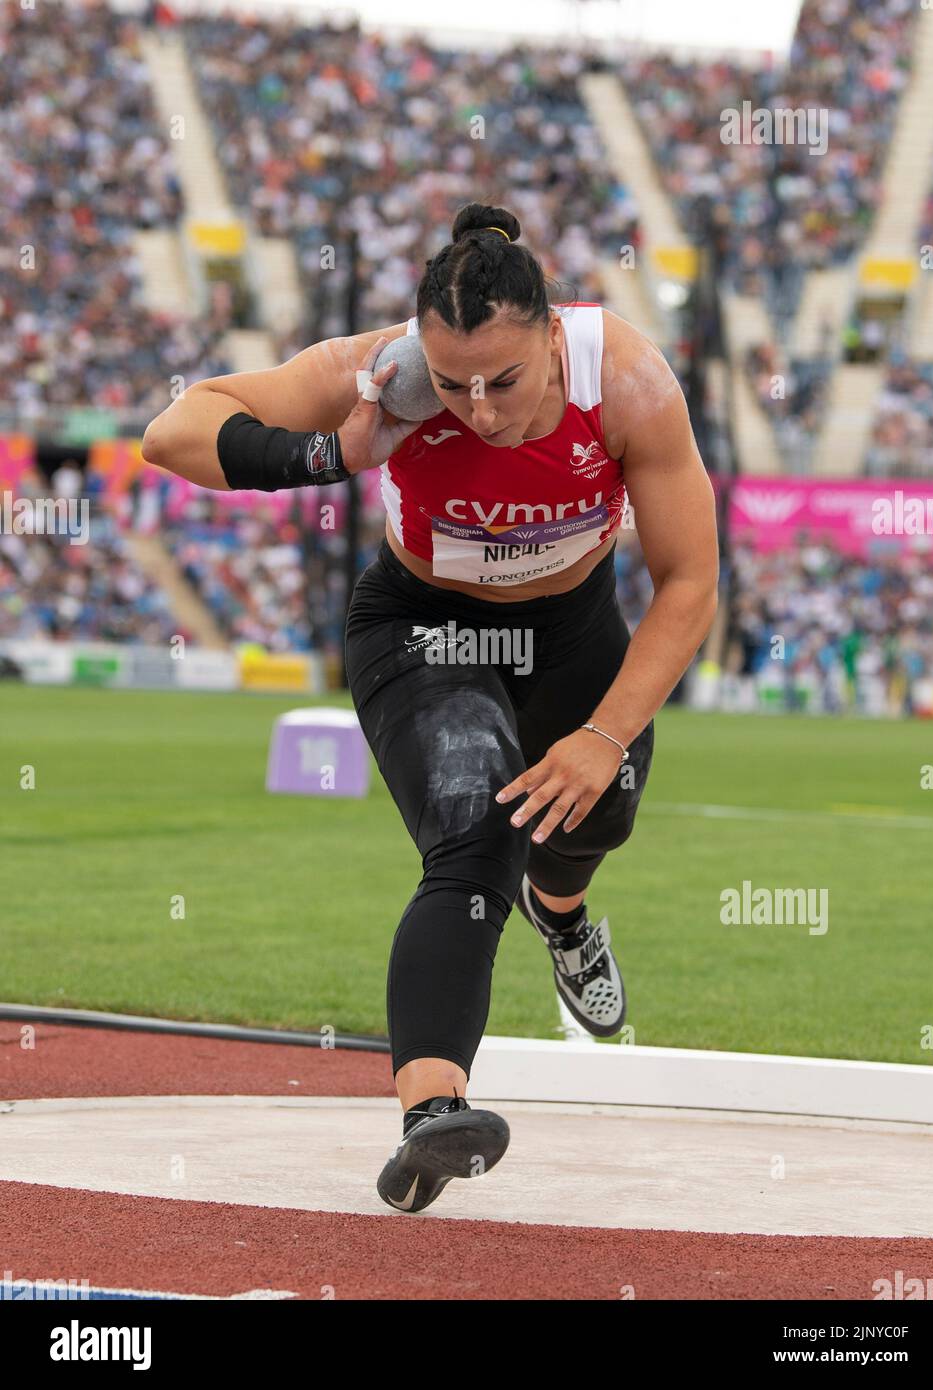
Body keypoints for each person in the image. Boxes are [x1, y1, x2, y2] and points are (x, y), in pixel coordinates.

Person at [142, 201, 719, 1213]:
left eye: (505, 380)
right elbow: (171, 433)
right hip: (423, 627)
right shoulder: (381, 370)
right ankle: (431, 1114)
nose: (481, 409)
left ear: (552, 335)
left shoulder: (624, 379)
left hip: (569, 632)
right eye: (454, 384)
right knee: (472, 836)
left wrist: (600, 734)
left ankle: (566, 912)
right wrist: (335, 457)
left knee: (602, 808)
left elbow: (688, 583)